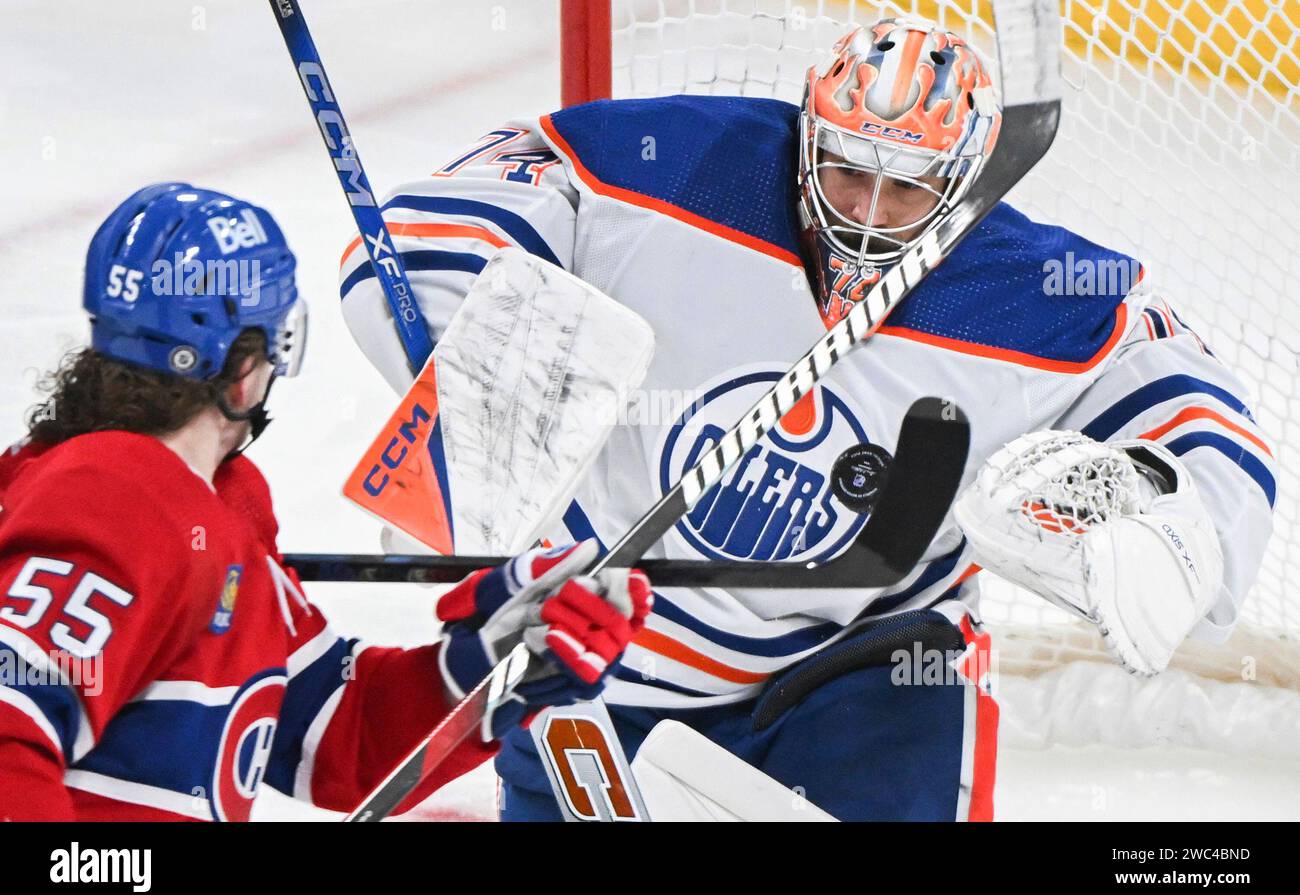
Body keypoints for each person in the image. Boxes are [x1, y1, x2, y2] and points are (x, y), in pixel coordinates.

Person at [338, 18, 1274, 821]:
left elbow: (1200, 410)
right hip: (601, 642)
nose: (866, 213)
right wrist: (483, 350)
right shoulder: (666, 163)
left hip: (861, 661)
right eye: (846, 170)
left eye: (904, 187)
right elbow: (440, 220)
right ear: (808, 131)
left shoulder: (1031, 292)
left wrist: (1173, 513)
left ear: (967, 177)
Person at [0, 182, 650, 821]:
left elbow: (335, 730)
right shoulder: (117, 498)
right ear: (247, 365)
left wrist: (482, 669)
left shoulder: (214, 513)